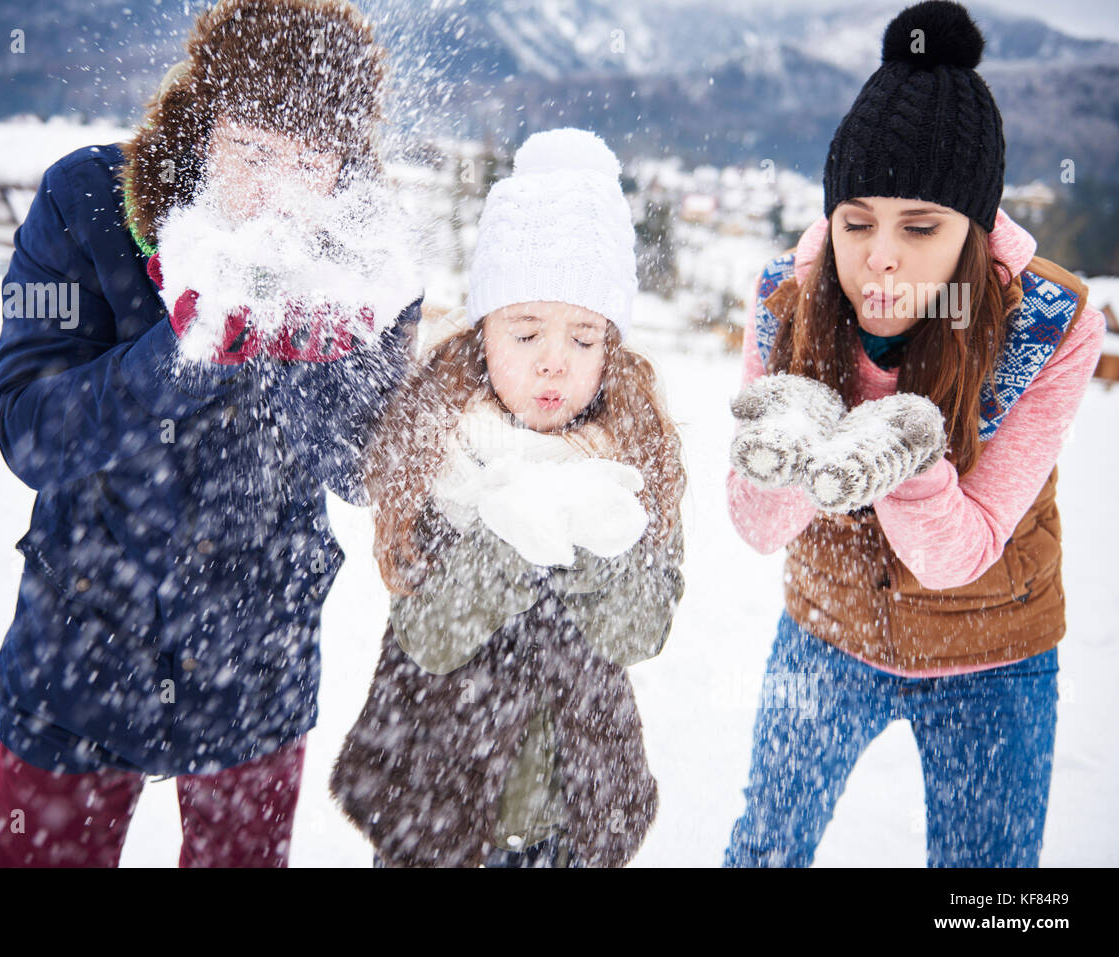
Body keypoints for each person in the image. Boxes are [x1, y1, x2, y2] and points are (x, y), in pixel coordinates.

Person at [0, 0, 421, 867]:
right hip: (80, 648)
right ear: (204, 116)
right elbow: (28, 430)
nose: (275, 188)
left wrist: (306, 347)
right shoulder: (88, 203)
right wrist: (176, 353)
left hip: (253, 662)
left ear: (344, 165)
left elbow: (364, 468)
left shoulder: (370, 267)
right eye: (251, 148)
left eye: (307, 158)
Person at [722, 0, 1106, 867]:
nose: (880, 257)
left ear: (975, 230)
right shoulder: (790, 298)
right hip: (828, 624)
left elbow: (953, 550)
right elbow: (755, 525)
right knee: (763, 851)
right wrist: (797, 432)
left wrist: (898, 449)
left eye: (921, 227)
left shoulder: (1047, 322)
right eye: (856, 221)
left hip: (991, 652)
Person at [329, 129, 686, 868]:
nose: (555, 358)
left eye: (585, 338)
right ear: (482, 328)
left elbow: (639, 630)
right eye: (526, 331)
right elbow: (430, 635)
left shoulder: (632, 456)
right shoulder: (439, 442)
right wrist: (509, 537)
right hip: (436, 805)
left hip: (571, 816)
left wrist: (587, 528)